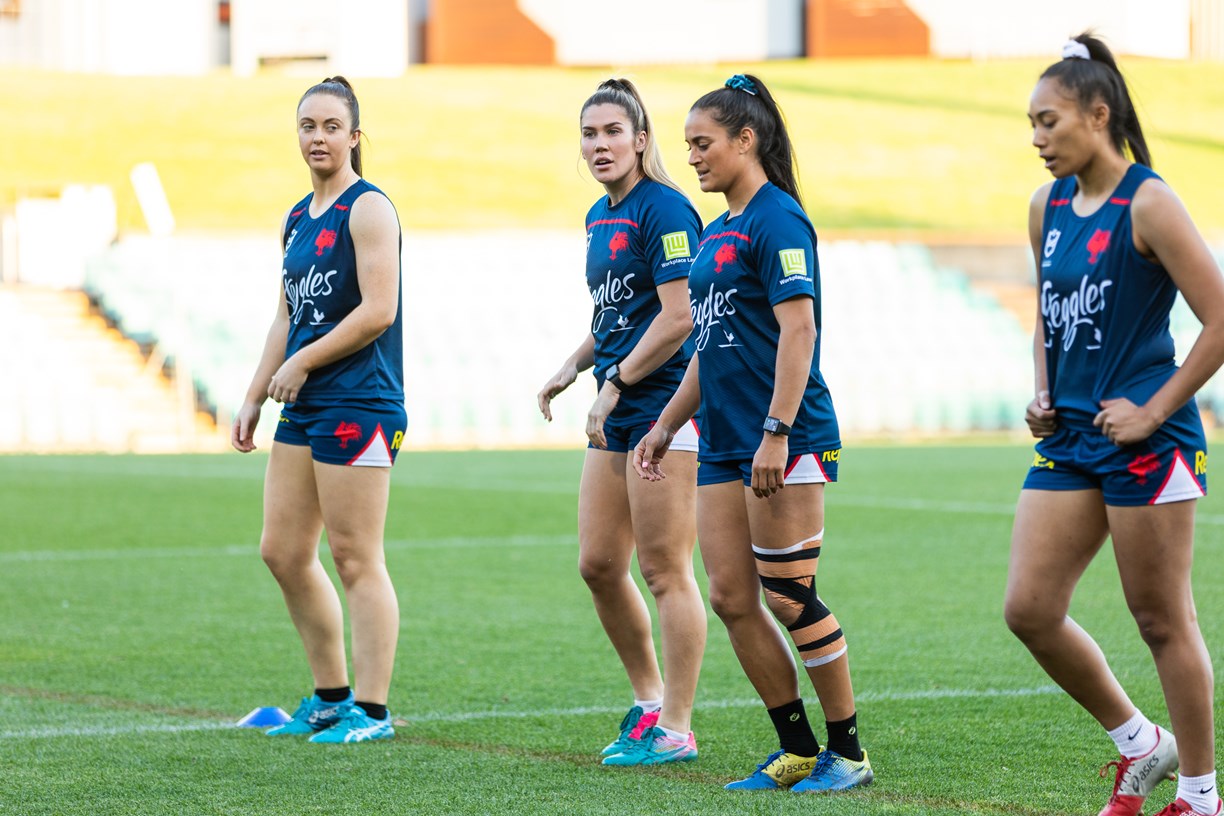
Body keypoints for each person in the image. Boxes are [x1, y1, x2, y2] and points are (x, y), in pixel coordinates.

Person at [634, 73, 872, 792]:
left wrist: (778, 430)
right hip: (722, 441)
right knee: (732, 598)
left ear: (747, 139)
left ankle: (849, 753)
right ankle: (796, 748)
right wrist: (666, 422)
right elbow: (710, 345)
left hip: (781, 439)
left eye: (703, 144)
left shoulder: (777, 219)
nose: (693, 157)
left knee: (790, 595)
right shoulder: (718, 230)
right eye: (688, 146)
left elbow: (800, 330)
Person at [1006, 33, 1224, 816]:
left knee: (1161, 619)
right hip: (1070, 439)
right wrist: (1041, 389)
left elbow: (1220, 318)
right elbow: (1048, 315)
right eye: (1030, 123)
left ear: (1099, 115)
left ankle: (1201, 798)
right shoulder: (1048, 206)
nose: (1036, 139)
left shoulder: (1151, 202)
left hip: (1150, 442)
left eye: (1048, 122)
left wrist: (1155, 409)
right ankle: (1142, 744)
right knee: (1028, 609)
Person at [537, 78, 708, 766]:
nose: (599, 144)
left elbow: (678, 316)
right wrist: (573, 365)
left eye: (612, 132)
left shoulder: (665, 210)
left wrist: (614, 384)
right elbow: (615, 316)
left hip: (664, 410)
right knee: (599, 564)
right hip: (616, 402)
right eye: (589, 134)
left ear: (641, 140)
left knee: (665, 569)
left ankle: (677, 725)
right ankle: (647, 700)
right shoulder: (598, 215)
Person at [232, 76, 405, 744]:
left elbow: (378, 310)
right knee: (282, 550)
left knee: (356, 557)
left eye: (332, 126)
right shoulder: (298, 218)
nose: (318, 137)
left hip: (359, 399)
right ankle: (331, 696)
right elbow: (286, 316)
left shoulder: (369, 209)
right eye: (308, 125)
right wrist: (254, 392)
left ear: (355, 136)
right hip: (303, 404)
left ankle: (374, 709)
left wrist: (301, 363)